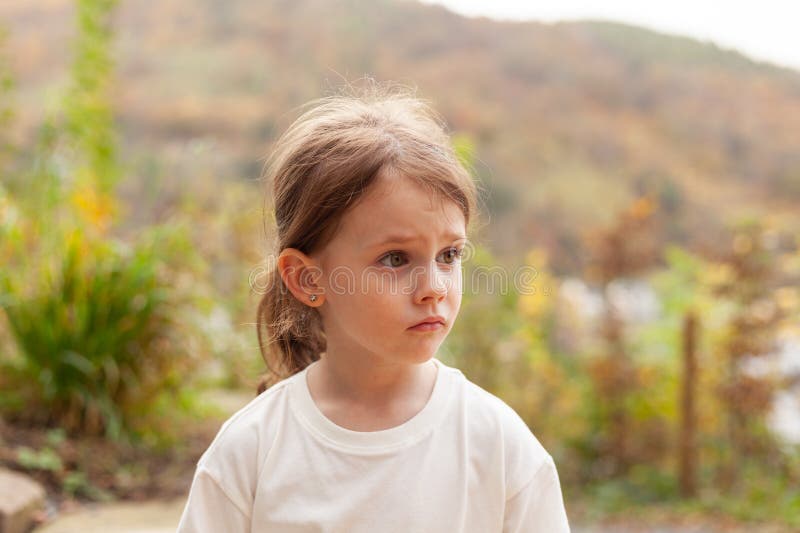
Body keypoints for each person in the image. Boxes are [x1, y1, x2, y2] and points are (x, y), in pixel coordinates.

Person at [177, 81, 571, 532]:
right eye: (395, 259)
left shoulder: (497, 444)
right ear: (307, 279)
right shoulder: (251, 451)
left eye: (449, 255)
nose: (433, 289)